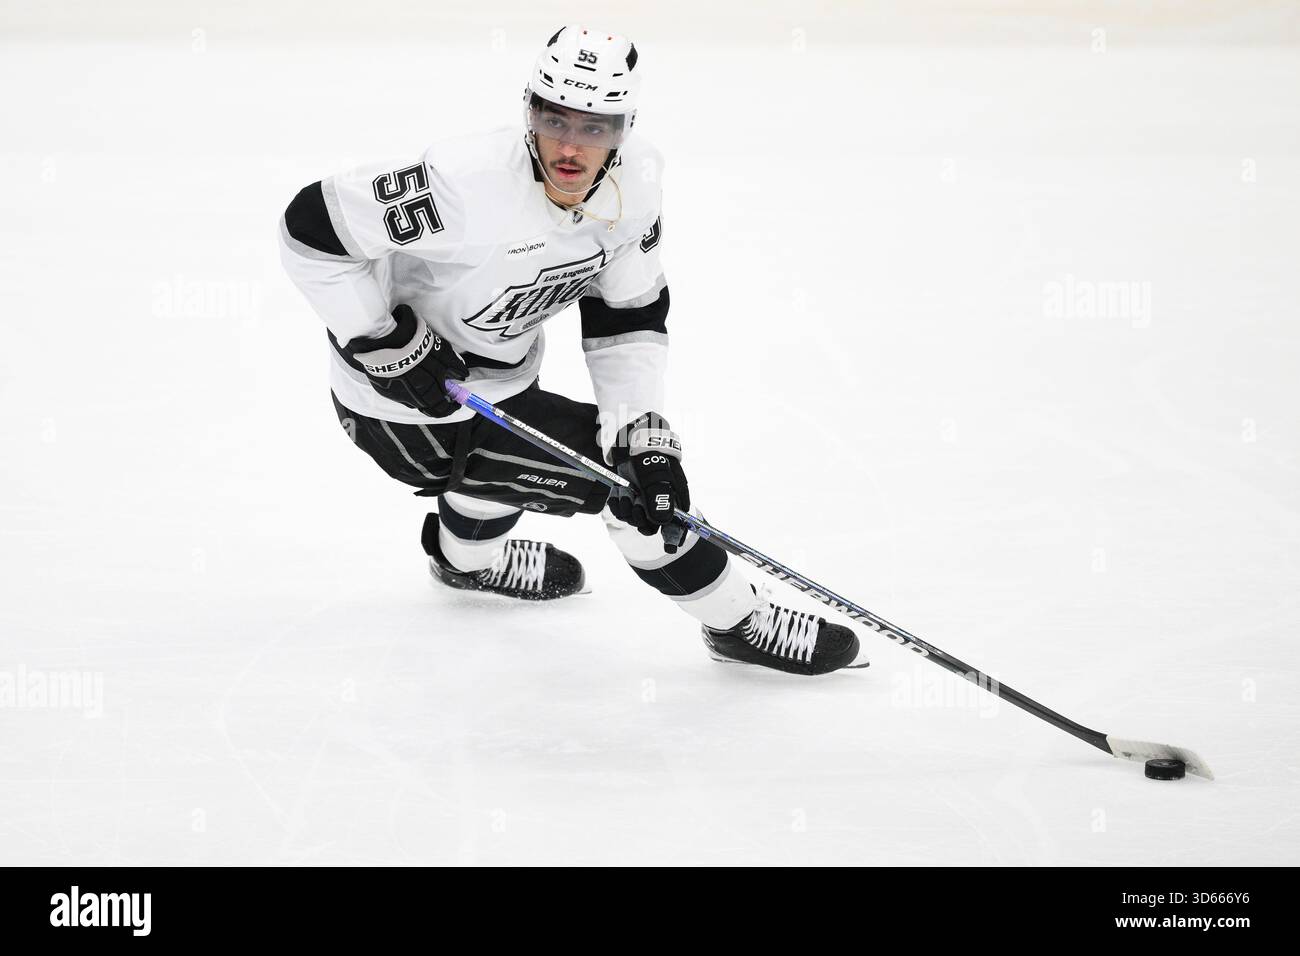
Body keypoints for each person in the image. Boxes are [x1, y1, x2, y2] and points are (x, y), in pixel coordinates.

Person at [278, 25, 860, 675]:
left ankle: (463, 561)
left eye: (596, 126)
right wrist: (382, 338)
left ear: (625, 127)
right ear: (529, 112)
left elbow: (627, 315)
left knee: (547, 466)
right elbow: (310, 228)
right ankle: (739, 622)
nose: (570, 146)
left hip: (498, 381)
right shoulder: (464, 184)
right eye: (555, 119)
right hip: (400, 409)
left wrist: (639, 430)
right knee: (631, 498)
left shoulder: (635, 184)